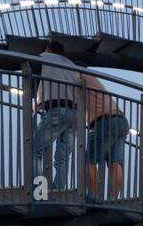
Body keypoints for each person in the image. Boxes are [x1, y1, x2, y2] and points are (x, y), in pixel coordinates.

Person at [33, 40, 80, 191]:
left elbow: (33, 74)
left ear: (48, 48)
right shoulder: (72, 65)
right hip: (74, 113)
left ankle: (39, 190)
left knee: (35, 150)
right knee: (63, 157)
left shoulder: (43, 56)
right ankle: (58, 189)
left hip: (56, 110)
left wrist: (36, 97)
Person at [83, 73, 128, 200]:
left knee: (89, 160)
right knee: (115, 162)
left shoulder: (77, 77)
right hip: (122, 121)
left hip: (104, 122)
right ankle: (113, 200)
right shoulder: (94, 81)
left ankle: (92, 197)